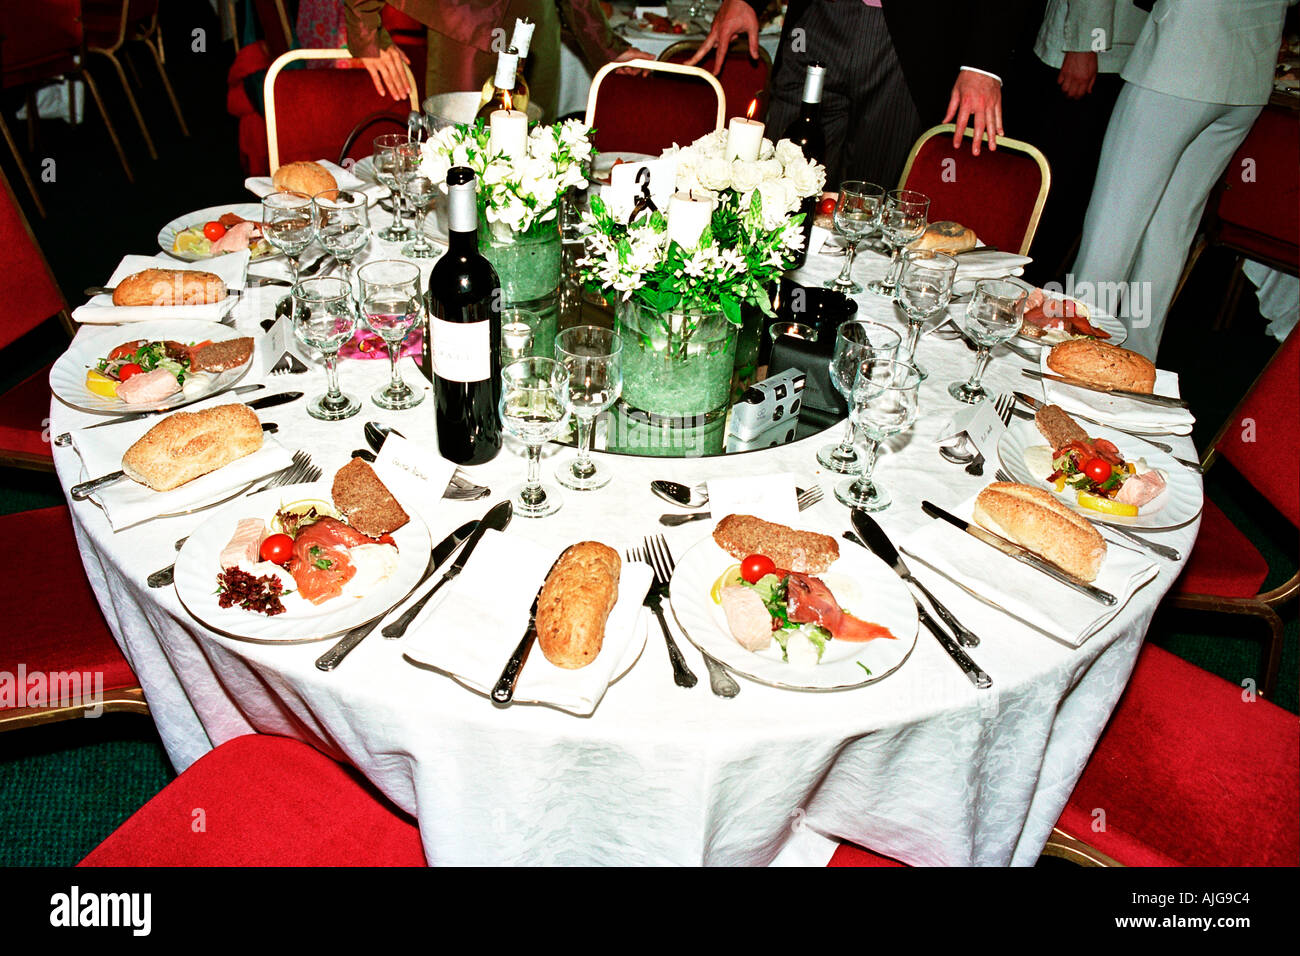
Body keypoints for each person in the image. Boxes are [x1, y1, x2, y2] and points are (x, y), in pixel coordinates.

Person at [1070, 0, 1292, 360]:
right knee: (1169, 232)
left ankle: (1074, 354)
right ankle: (1135, 360)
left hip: (1181, 58)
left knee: (1114, 226)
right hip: (1249, 72)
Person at [687, 0, 1035, 190]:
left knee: (869, 200)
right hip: (815, 20)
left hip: (914, 36)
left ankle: (848, 316)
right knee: (774, 184)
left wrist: (983, 63)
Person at [1010, 0, 1148, 283]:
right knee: (1053, 193)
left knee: (1070, 196)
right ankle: (1015, 293)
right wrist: (1085, 43)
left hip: (1119, 51)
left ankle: (1029, 294)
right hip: (1092, 49)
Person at [343, 0, 648, 119]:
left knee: (535, 165)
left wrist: (607, 46)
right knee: (457, 157)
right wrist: (368, 35)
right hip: (461, 27)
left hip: (534, 27)